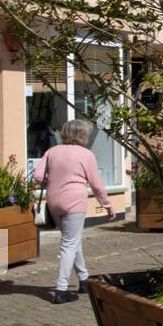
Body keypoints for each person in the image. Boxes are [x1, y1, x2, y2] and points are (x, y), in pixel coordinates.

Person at [33, 119, 115, 304]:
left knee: (72, 241)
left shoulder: (52, 151)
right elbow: (96, 184)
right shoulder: (86, 155)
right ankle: (61, 289)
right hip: (75, 202)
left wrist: (55, 178)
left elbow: (38, 176)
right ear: (83, 135)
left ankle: (84, 279)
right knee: (69, 244)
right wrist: (107, 205)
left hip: (54, 201)